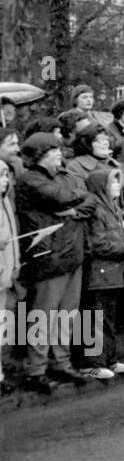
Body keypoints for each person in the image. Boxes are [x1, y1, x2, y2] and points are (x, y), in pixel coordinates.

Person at [15, 133, 90, 393]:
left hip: (71, 253)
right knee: (42, 315)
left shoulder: (63, 176)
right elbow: (61, 198)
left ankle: (62, 362)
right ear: (42, 155)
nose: (60, 155)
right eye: (55, 151)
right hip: (48, 255)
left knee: (67, 314)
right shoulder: (30, 179)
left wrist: (74, 207)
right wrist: (74, 202)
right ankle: (35, 369)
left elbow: (88, 197)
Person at [77, 168, 124, 380]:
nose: (118, 186)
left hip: (112, 273)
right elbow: (98, 245)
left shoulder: (112, 207)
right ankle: (91, 363)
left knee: (108, 318)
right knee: (95, 319)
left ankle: (108, 359)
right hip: (99, 274)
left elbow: (115, 238)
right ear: (102, 186)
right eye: (113, 183)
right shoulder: (96, 210)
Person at [0, 157, 19, 395]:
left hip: (4, 275)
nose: (5, 181)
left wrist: (15, 264)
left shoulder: (5, 203)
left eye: (6, 176)